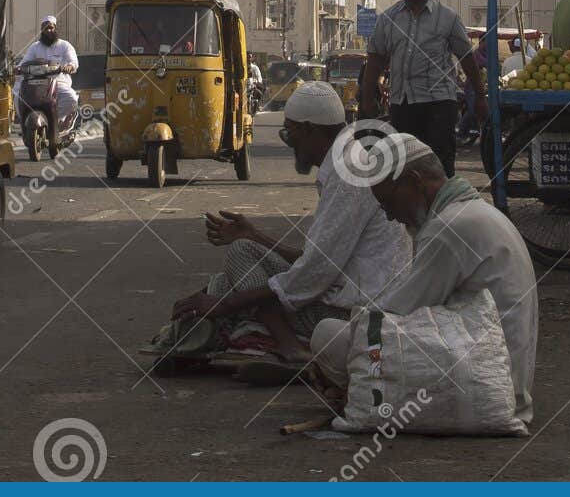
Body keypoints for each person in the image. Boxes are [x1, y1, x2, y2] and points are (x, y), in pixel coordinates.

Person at [166, 83, 408, 369]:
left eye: (289, 134)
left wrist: (226, 304)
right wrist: (256, 235)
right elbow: (317, 260)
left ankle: (290, 348)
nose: (289, 143)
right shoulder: (349, 162)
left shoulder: (349, 176)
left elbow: (312, 274)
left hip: (350, 313)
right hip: (353, 294)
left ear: (310, 130)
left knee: (237, 264)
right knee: (237, 267)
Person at [311, 132, 538, 426]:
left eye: (389, 201)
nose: (391, 217)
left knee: (328, 334)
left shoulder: (449, 228)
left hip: (486, 380)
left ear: (415, 181)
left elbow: (390, 318)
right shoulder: (477, 213)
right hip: (506, 379)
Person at [360, 0, 485, 176]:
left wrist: (481, 97)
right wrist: (367, 97)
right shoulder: (388, 19)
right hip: (403, 103)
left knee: (439, 164)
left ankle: (442, 209)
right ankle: (410, 209)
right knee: (405, 167)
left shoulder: (447, 18)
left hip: (438, 102)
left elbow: (466, 59)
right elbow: (375, 60)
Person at [17, 14, 79, 130]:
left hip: (59, 82)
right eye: (46, 28)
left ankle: (56, 120)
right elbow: (24, 63)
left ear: (55, 28)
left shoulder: (64, 46)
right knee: (17, 96)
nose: (48, 30)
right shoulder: (35, 47)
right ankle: (26, 125)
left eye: (51, 27)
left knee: (71, 98)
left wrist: (69, 67)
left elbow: (73, 62)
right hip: (37, 83)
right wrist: (18, 69)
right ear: (42, 30)